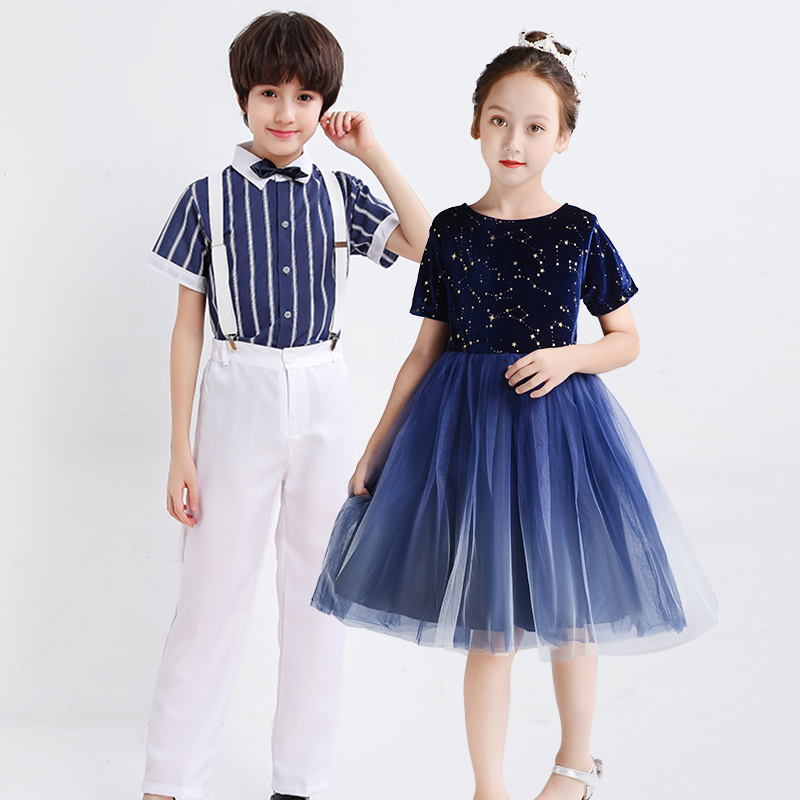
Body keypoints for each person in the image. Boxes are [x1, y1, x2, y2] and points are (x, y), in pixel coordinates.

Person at [312, 30, 718, 800]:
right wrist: (375, 448)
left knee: (569, 609)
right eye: (499, 121)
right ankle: (488, 788)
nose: (514, 141)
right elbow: (423, 352)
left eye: (535, 126)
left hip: (558, 436)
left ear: (562, 138)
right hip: (468, 437)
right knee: (489, 622)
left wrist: (568, 358)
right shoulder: (451, 233)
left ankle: (575, 765)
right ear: (475, 123)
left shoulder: (579, 231)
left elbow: (626, 340)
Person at [141, 11, 430, 800]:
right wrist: (179, 449)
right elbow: (186, 331)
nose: (285, 112)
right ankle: (169, 782)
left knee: (318, 596)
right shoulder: (205, 198)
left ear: (324, 105)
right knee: (211, 596)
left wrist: (371, 152)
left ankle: (298, 782)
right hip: (238, 388)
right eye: (269, 92)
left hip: (325, 390)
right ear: (243, 97)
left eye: (305, 97)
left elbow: (429, 244)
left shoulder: (341, 192)